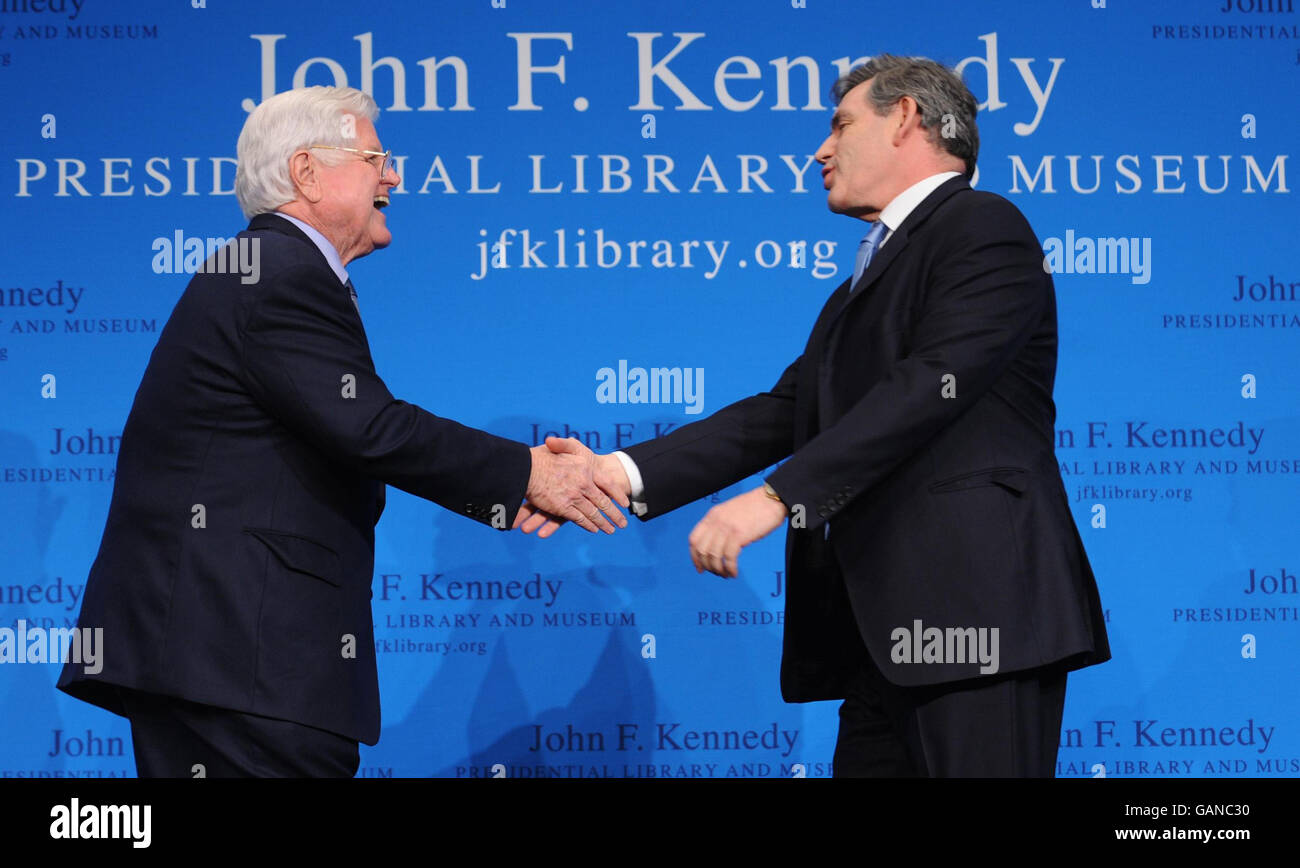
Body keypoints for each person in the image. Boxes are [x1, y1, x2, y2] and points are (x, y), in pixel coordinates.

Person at [523, 55, 1110, 777]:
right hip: (877, 641)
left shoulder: (983, 228)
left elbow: (932, 386)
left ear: (904, 119)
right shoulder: (861, 284)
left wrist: (777, 498)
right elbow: (785, 413)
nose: (820, 150)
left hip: (974, 624)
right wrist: (613, 472)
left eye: (840, 125)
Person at [56, 86, 626, 778]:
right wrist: (528, 474)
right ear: (306, 172)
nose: (394, 176)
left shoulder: (268, 269)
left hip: (232, 665)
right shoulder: (277, 272)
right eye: (376, 158)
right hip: (238, 659)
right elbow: (372, 427)